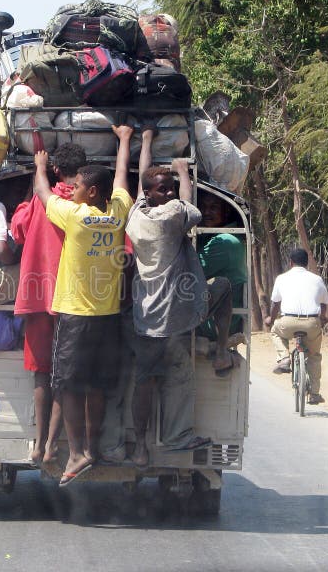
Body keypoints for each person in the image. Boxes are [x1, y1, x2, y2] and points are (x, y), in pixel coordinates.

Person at [32, 124, 133, 486]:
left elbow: (43, 193)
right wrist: (124, 141)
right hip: (108, 319)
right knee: (97, 386)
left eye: (75, 188)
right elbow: (121, 177)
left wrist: (41, 165)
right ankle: (92, 448)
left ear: (90, 192)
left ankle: (75, 453)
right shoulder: (118, 212)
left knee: (68, 386)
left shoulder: (76, 217)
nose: (70, 191)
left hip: (76, 317)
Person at [126, 126, 222, 465]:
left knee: (145, 382)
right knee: (178, 377)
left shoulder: (136, 215)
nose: (168, 194)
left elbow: (141, 181)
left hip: (144, 318)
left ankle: (139, 445)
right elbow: (190, 207)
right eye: (162, 190)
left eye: (170, 189)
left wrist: (146, 142)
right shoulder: (172, 215)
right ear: (153, 195)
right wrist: (183, 173)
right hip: (173, 318)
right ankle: (176, 435)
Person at [11, 142, 86, 466]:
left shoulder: (43, 201)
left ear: (55, 169)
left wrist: (31, 186)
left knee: (42, 374)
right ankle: (55, 446)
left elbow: (17, 230)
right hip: (74, 302)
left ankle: (39, 444)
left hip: (37, 297)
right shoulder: (88, 204)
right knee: (65, 376)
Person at [264, 248, 328, 404]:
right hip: (311, 323)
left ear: (291, 262)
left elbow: (275, 304)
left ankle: (284, 358)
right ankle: (314, 393)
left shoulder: (282, 278)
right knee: (314, 356)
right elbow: (324, 303)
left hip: (288, 322)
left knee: (275, 331)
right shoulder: (317, 279)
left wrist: (270, 319)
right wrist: (321, 319)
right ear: (306, 263)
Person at [197, 190, 248, 347]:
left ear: (225, 212)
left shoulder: (224, 242)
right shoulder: (215, 238)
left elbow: (188, 272)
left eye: (213, 207)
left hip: (214, 325)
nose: (206, 212)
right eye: (203, 207)